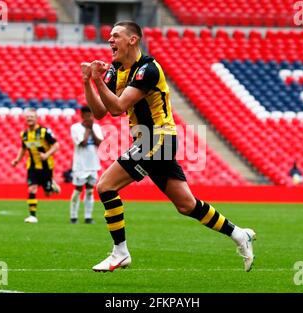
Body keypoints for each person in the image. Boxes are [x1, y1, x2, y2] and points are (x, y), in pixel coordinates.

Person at [81, 21, 256, 272]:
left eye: (115, 36)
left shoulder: (148, 69)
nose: (110, 40)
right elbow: (99, 112)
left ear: (133, 40)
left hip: (158, 138)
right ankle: (239, 234)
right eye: (109, 36)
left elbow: (118, 107)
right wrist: (89, 81)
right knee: (186, 205)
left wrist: (97, 82)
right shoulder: (115, 70)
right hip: (147, 140)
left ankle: (120, 253)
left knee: (106, 186)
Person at [11, 108, 61, 223]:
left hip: (46, 167)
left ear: (36, 119)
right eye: (28, 117)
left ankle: (51, 185)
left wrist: (46, 155)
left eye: (32, 117)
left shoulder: (44, 132)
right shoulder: (24, 134)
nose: (29, 119)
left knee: (47, 193)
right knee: (32, 188)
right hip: (32, 167)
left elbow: (57, 145)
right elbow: (23, 148)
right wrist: (17, 160)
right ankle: (32, 216)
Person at [70, 106, 104, 224]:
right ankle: (73, 216)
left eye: (91, 115)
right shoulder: (75, 128)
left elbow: (99, 143)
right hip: (80, 165)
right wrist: (88, 130)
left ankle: (88, 217)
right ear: (82, 115)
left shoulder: (96, 127)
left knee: (90, 190)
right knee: (78, 190)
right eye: (87, 115)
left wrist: (92, 130)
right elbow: (82, 143)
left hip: (93, 164)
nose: (89, 117)